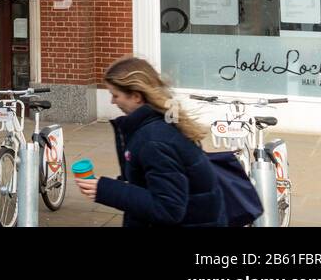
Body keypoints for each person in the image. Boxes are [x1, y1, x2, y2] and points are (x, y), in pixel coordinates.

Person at [75, 55, 226, 227]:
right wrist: (109, 185)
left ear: (136, 96)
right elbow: (152, 182)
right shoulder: (163, 121)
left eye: (115, 95)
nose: (112, 101)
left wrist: (104, 189)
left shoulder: (154, 141)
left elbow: (168, 208)